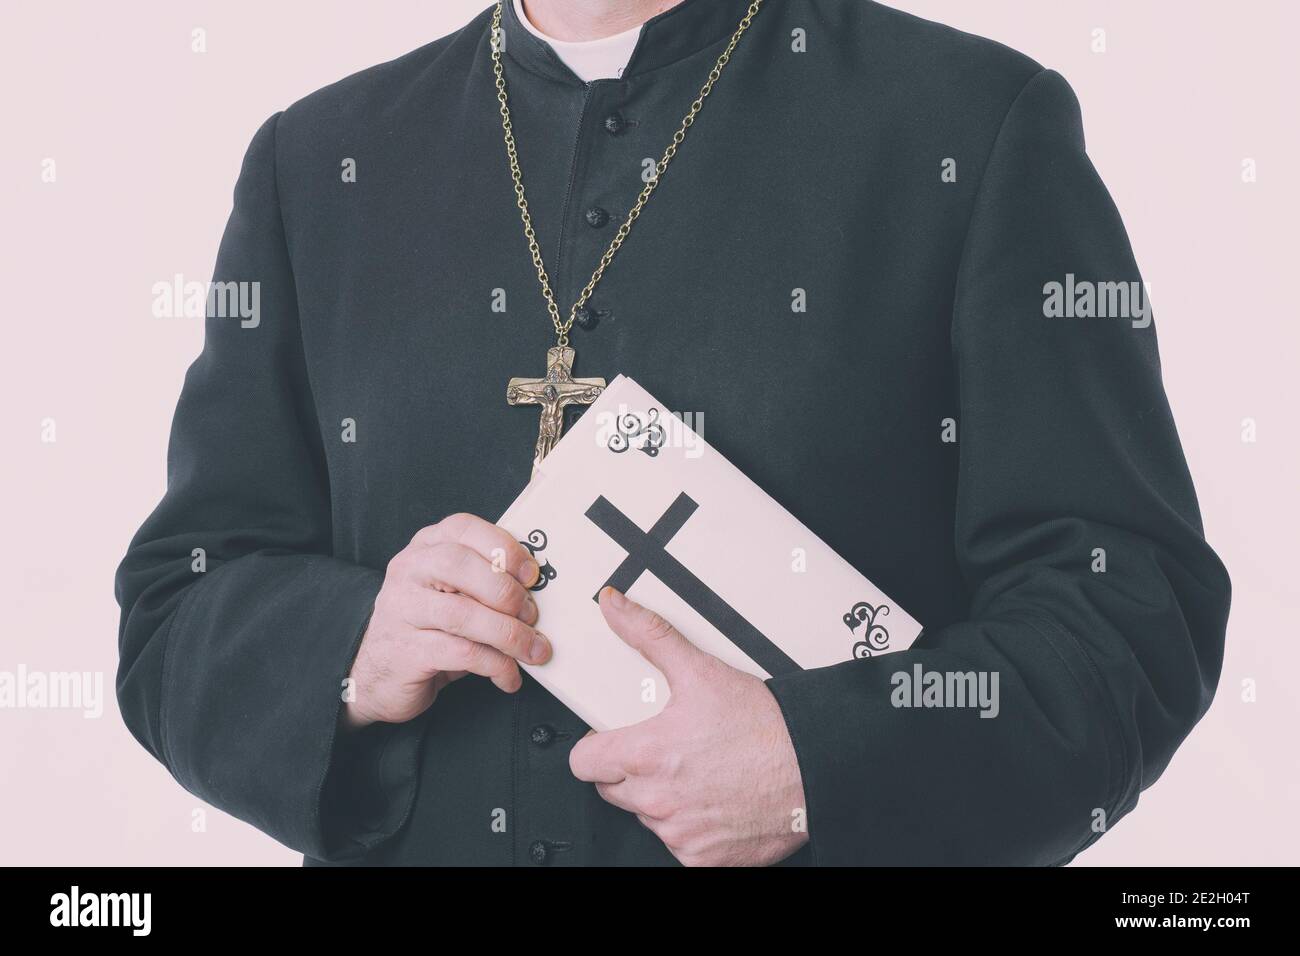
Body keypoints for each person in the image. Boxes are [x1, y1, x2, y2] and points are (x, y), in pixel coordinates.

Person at [115, 0, 1231, 866]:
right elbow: (177, 607)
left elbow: (1126, 612)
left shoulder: (969, 124)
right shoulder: (317, 162)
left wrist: (818, 765)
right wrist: (349, 649)